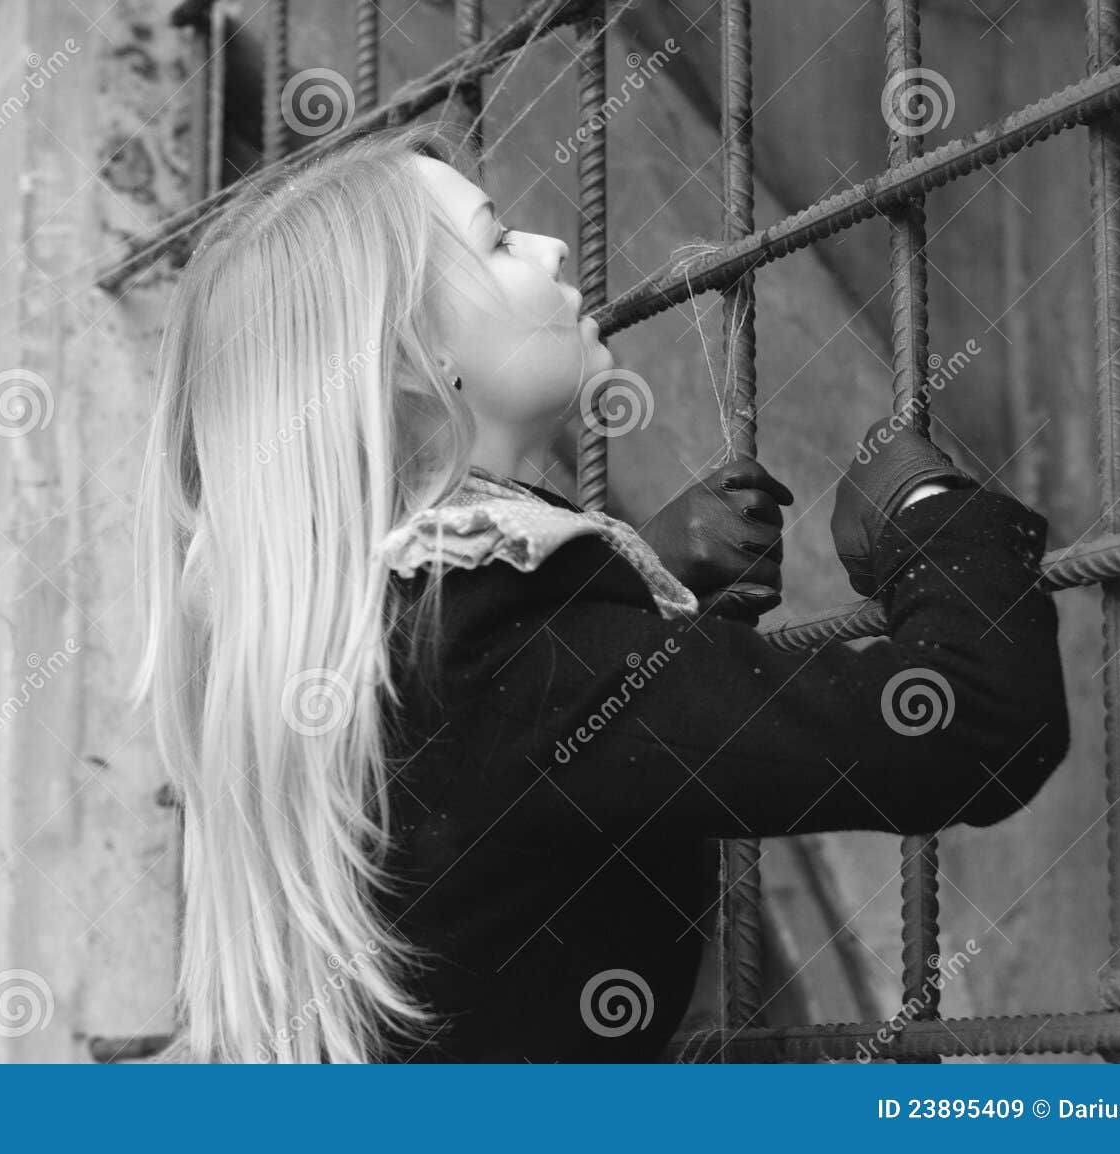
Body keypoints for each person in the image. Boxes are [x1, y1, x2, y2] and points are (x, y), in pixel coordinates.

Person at [130, 121, 1070, 1064]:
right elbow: (976, 725)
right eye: (496, 241)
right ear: (416, 361)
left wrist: (641, 584)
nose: (547, 246)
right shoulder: (496, 645)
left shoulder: (356, 637)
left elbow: (504, 802)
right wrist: (929, 511)